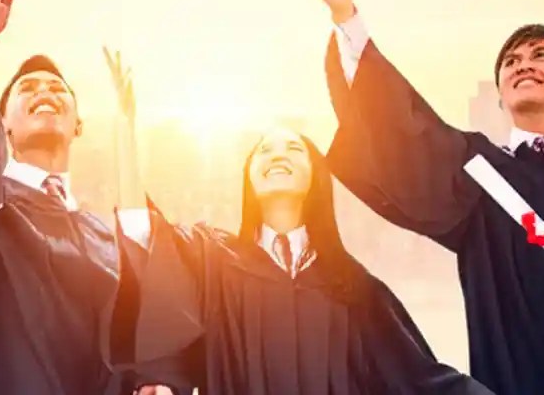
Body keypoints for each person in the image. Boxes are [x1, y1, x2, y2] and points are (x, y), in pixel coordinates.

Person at [283, 0, 544, 395]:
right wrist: (347, 18)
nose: (522, 65)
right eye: (511, 63)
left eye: (540, 55)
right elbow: (402, 129)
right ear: (500, 96)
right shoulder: (479, 176)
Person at [0, 0, 164, 395]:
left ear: (78, 125)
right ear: (3, 123)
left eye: (58, 89)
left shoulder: (101, 235)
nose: (45, 94)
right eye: (28, 90)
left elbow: (134, 333)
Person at [105, 126, 491, 394]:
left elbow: (421, 379)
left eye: (293, 149)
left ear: (316, 178)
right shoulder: (214, 262)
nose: (277, 156)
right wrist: (126, 136)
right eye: (264, 150)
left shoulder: (354, 288)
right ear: (249, 179)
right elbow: (146, 240)